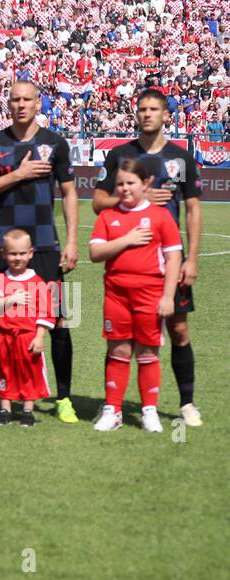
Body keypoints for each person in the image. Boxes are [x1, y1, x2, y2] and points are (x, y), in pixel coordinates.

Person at [0, 81, 80, 423]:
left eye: (27, 100)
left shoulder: (55, 143)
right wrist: (17, 175)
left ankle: (63, 399)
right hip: (4, 246)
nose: (21, 105)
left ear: (38, 104)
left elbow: (69, 191)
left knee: (60, 320)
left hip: (46, 245)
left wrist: (73, 239)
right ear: (9, 104)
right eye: (15, 99)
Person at [94, 88, 204, 426]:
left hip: (169, 259)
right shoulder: (121, 156)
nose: (147, 114)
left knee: (179, 330)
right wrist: (131, 199)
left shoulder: (180, 157)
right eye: (142, 108)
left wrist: (192, 259)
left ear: (165, 115)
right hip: (129, 258)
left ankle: (186, 403)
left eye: (154, 109)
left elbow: (192, 208)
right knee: (121, 337)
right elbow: (99, 200)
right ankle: (113, 406)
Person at [88, 158, 182, 434]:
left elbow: (173, 257)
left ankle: (148, 411)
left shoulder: (160, 216)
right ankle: (112, 410)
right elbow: (95, 253)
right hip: (115, 294)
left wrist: (168, 297)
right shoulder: (108, 216)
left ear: (145, 184)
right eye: (120, 184)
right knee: (117, 351)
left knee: (147, 352)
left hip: (150, 294)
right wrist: (127, 240)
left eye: (131, 183)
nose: (125, 189)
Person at [0, 229, 56, 427]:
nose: (18, 258)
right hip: (4, 336)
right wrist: (10, 299)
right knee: (4, 371)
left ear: (31, 253)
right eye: (13, 253)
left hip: (28, 336)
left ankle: (27, 410)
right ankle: (5, 409)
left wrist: (40, 336)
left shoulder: (38, 282)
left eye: (22, 253)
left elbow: (46, 312)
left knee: (28, 372)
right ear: (4, 254)